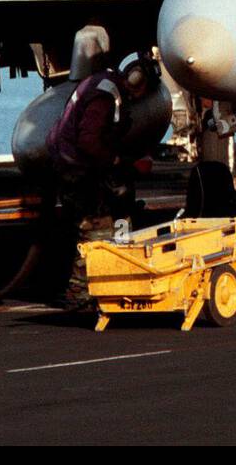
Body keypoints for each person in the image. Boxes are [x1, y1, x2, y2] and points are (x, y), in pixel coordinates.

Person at [45, 59, 158, 308]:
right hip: (77, 168)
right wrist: (118, 161)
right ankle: (79, 294)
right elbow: (89, 141)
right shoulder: (105, 95)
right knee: (95, 229)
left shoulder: (104, 84)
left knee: (117, 218)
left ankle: (113, 282)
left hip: (77, 165)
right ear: (137, 81)